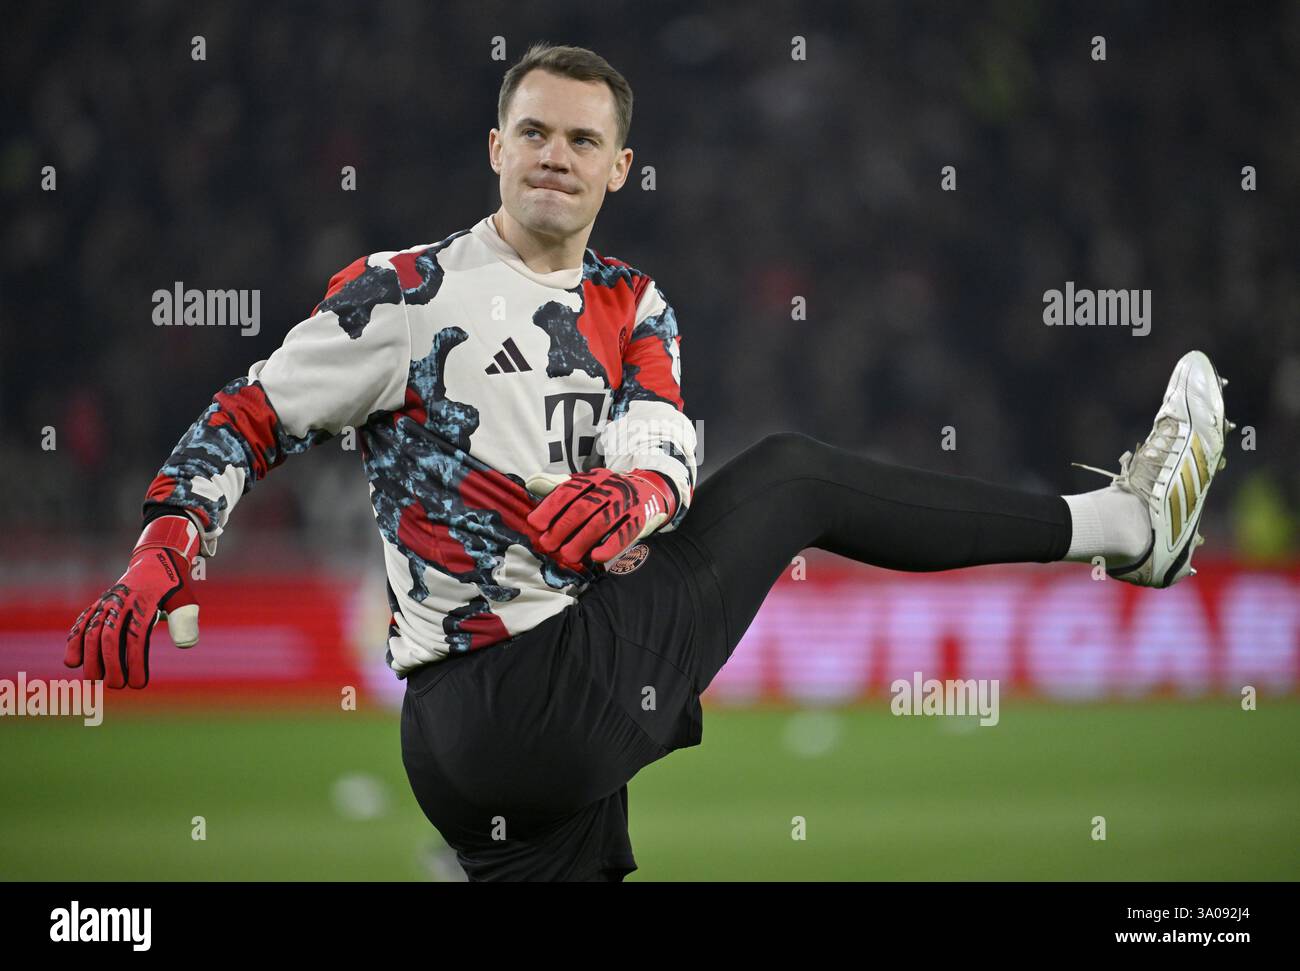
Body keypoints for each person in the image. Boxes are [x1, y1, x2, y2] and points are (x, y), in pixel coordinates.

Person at [64, 43, 1232, 881]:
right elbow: (249, 411)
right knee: (792, 480)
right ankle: (1129, 525)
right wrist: (169, 544)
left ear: (620, 167)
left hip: (483, 751)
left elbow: (663, 434)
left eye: (583, 138)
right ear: (495, 149)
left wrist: (643, 486)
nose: (555, 155)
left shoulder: (634, 302)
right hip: (520, 697)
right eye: (533, 131)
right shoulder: (405, 293)